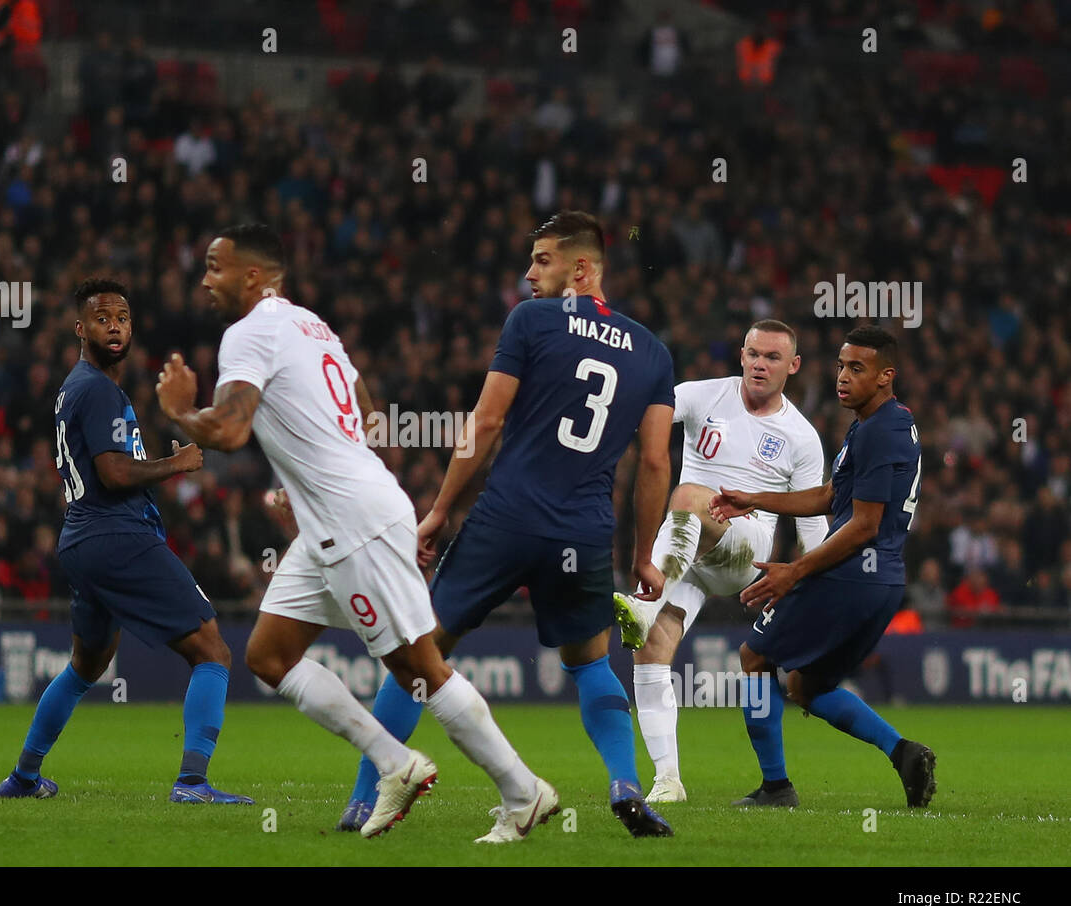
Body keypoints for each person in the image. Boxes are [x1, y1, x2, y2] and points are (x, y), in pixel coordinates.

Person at [156, 224, 555, 842]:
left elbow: (230, 431)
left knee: (419, 669)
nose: (205, 279)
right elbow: (367, 414)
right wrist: (312, 475)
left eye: (215, 267)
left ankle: (522, 792)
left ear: (254, 276)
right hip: (337, 516)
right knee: (268, 655)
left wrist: (180, 410)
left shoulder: (246, 332)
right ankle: (395, 762)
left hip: (353, 520)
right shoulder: (312, 325)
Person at [337, 210, 676, 838]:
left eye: (541, 259)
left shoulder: (532, 320)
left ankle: (364, 798)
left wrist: (440, 509)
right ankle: (626, 783)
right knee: (591, 662)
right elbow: (655, 461)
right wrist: (644, 555)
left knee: (422, 651)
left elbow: (487, 423)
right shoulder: (653, 353)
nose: (528, 273)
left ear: (581, 268)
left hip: (508, 518)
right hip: (583, 532)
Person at [0, 278, 251, 805]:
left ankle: (22, 777)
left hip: (84, 540)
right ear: (80, 328)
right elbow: (112, 473)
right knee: (213, 650)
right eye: (102, 317)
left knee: (86, 665)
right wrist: (174, 464)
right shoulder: (96, 389)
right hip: (116, 534)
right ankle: (193, 782)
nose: (114, 325)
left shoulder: (79, 387)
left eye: (123, 318)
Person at [710, 325, 936, 809]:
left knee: (754, 657)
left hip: (850, 574)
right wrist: (756, 497)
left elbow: (863, 525)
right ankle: (903, 752)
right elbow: (832, 497)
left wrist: (795, 571)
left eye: (857, 368)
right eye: (840, 365)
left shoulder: (879, 431)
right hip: (882, 582)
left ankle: (776, 787)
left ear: (885, 376)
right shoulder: (881, 422)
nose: (843, 376)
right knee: (806, 685)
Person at [613, 320, 829, 802]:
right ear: (741, 355)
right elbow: (639, 413)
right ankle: (668, 779)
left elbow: (813, 527)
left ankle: (644, 603)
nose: (759, 364)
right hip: (686, 547)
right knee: (649, 650)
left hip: (745, 549)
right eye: (753, 353)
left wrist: (815, 588)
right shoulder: (701, 395)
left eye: (772, 357)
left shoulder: (801, 437)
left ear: (792, 366)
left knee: (688, 494)